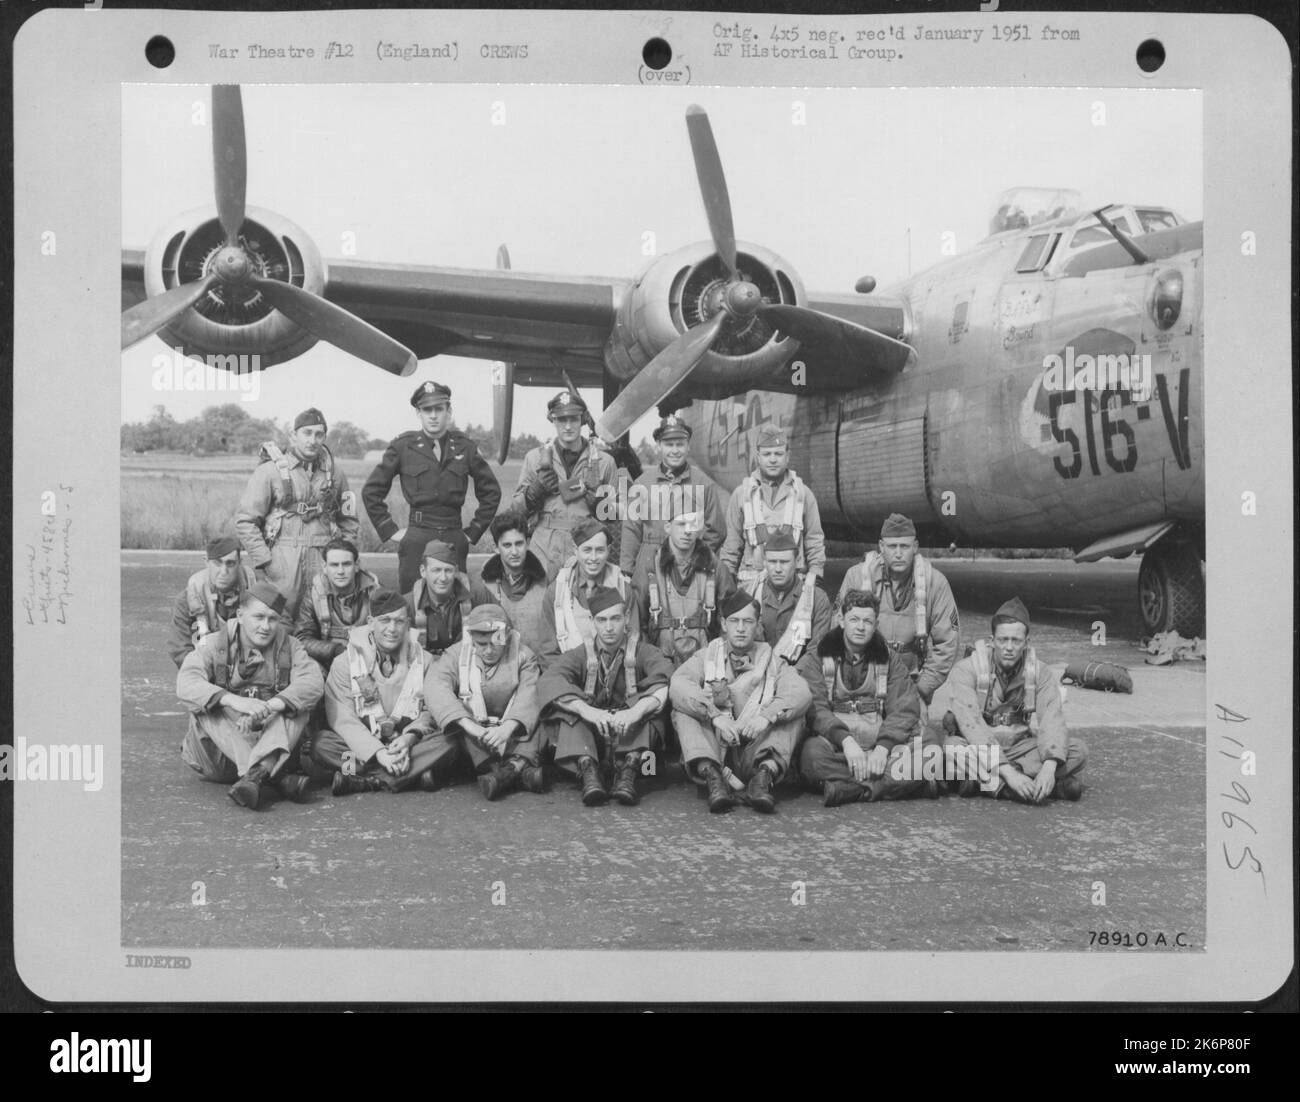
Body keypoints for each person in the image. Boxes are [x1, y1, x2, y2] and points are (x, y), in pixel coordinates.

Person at [175, 582, 324, 810]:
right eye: (259, 617)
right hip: (218, 758)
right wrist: (235, 701)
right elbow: (185, 684)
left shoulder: (291, 646)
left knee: (298, 705)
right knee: (204, 704)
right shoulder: (212, 643)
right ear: (240, 615)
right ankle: (270, 775)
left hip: (266, 738)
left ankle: (255, 778)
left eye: (273, 619)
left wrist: (271, 706)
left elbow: (313, 683)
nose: (266, 626)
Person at [670, 591, 812, 814]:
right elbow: (678, 685)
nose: (741, 628)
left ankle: (762, 779)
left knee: (792, 714)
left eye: (748, 621)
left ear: (757, 626)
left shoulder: (772, 661)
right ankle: (714, 780)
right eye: (734, 621)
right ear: (724, 624)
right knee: (683, 710)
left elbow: (800, 692)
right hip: (716, 750)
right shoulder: (706, 656)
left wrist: (767, 716)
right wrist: (714, 716)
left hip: (756, 750)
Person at [800, 588, 938, 806]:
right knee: (811, 757)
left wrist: (883, 749)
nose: (860, 627)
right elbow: (816, 709)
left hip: (880, 740)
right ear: (841, 620)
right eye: (854, 619)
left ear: (876, 625)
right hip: (837, 745)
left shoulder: (888, 658)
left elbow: (905, 707)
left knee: (930, 747)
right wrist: (846, 742)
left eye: (867, 621)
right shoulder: (819, 655)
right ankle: (897, 784)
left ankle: (854, 790)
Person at [942, 598, 1088, 802]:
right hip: (980, 747)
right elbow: (972, 727)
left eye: (1016, 640)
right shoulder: (966, 670)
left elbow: (1052, 719)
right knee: (951, 749)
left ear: (1026, 643)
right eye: (1003, 640)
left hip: (1020, 749)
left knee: (1078, 750)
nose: (1009, 647)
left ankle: (993, 784)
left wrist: (1049, 766)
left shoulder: (1040, 672)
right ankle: (1013, 787)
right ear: (992, 640)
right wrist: (1009, 773)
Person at [538, 587, 673, 807]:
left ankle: (630, 772)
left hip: (632, 740)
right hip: (594, 743)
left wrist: (635, 712)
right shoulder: (580, 654)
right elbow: (549, 681)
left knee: (651, 712)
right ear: (592, 621)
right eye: (602, 620)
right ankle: (588, 771)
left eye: (615, 619)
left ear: (626, 618)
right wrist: (587, 711)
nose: (609, 627)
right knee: (568, 713)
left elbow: (667, 676)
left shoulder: (644, 651)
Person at [299, 590, 443, 796]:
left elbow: (430, 710)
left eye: (399, 621)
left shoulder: (425, 660)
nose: (392, 629)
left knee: (448, 741)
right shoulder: (345, 662)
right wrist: (379, 753)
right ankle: (406, 776)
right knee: (322, 745)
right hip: (362, 747)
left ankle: (364, 781)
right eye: (385, 621)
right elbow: (343, 719)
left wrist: (409, 738)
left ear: (408, 623)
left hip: (405, 744)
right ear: (370, 621)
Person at [363, 380, 501, 595]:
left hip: (454, 535)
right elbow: (371, 491)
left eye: (439, 409)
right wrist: (391, 531)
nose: (434, 415)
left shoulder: (465, 447)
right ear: (419, 413)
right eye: (427, 410)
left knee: (456, 602)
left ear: (449, 411)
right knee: (413, 601)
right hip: (417, 535)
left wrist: (472, 532)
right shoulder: (403, 446)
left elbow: (491, 491)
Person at [235, 408, 360, 616]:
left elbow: (349, 520)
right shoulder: (269, 472)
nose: (313, 440)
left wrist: (344, 557)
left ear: (325, 437)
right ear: (294, 435)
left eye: (319, 434)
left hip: (323, 558)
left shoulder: (336, 474)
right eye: (307, 433)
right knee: (279, 621)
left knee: (323, 619)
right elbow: (245, 521)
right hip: (282, 559)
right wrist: (265, 560)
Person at [835, 513, 960, 715]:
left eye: (905, 546)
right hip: (864, 680)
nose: (899, 553)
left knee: (918, 742)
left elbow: (947, 645)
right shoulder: (857, 576)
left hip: (910, 682)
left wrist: (921, 690)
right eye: (892, 547)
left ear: (916, 547)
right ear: (881, 547)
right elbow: (837, 631)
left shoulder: (935, 582)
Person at [424, 604, 545, 800]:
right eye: (482, 644)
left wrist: (508, 728)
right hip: (476, 734)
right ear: (471, 638)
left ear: (507, 635)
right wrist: (471, 726)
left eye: (495, 643)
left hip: (511, 733)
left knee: (539, 716)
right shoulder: (455, 654)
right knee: (453, 723)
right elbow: (435, 687)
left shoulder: (524, 655)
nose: (489, 651)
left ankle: (509, 772)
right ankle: (517, 773)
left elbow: (528, 695)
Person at [509, 390, 618, 580]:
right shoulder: (535, 458)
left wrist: (601, 504)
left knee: (582, 604)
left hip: (585, 546)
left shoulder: (604, 461)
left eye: (573, 419)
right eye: (561, 420)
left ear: (583, 419)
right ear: (553, 420)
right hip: (543, 544)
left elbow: (618, 516)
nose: (568, 426)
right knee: (542, 603)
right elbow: (516, 511)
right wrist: (533, 492)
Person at [619, 414, 726, 580]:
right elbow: (631, 529)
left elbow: (717, 531)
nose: (675, 450)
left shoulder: (703, 483)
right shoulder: (642, 483)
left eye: (680, 444)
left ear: (688, 446)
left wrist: (698, 558)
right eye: (669, 444)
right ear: (659, 445)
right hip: (649, 562)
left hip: (689, 564)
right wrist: (627, 570)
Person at [719, 424, 825, 585]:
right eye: (767, 454)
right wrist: (726, 583)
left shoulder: (803, 494)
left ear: (787, 456)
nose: (773, 459)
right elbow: (731, 545)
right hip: (752, 586)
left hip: (793, 586)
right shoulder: (742, 495)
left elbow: (814, 540)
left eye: (778, 453)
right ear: (758, 456)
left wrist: (814, 575)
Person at [632, 505, 732, 667]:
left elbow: (731, 619)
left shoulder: (715, 567)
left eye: (693, 524)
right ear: (667, 527)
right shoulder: (650, 567)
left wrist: (720, 660)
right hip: (659, 661)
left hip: (706, 661)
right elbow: (636, 623)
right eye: (681, 524)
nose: (687, 531)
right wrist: (649, 662)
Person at [539, 517, 635, 661]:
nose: (593, 558)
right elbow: (548, 652)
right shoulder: (557, 592)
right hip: (569, 674)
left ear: (608, 550)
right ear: (575, 550)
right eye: (587, 550)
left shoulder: (623, 589)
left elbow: (635, 639)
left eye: (600, 550)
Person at [470, 509, 550, 658]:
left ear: (528, 543)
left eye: (519, 543)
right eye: (507, 545)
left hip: (541, 663)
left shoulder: (547, 580)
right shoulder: (482, 586)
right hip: (500, 665)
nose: (514, 552)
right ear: (496, 547)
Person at [744, 530, 833, 665]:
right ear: (764, 562)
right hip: (757, 672)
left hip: (800, 675)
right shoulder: (749, 594)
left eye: (784, 562)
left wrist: (787, 677)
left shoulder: (817, 599)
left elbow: (816, 653)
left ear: (797, 562)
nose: (778, 569)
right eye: (772, 561)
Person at [166, 535, 255, 667]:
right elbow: (180, 649)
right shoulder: (189, 597)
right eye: (217, 563)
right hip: (207, 668)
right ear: (206, 562)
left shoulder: (257, 588)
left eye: (230, 563)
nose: (224, 571)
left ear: (240, 562)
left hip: (250, 667)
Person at [293, 537, 380, 671]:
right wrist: (335, 650)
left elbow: (391, 633)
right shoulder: (314, 594)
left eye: (346, 564)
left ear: (357, 565)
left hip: (369, 661)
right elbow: (302, 639)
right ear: (324, 567)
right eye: (334, 565)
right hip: (328, 662)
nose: (340, 571)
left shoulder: (375, 594)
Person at [406, 540, 472, 659]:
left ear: (456, 571)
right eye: (436, 570)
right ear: (423, 571)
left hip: (465, 662)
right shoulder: (409, 603)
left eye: (448, 570)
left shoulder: (475, 595)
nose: (443, 578)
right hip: (423, 665)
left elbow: (502, 626)